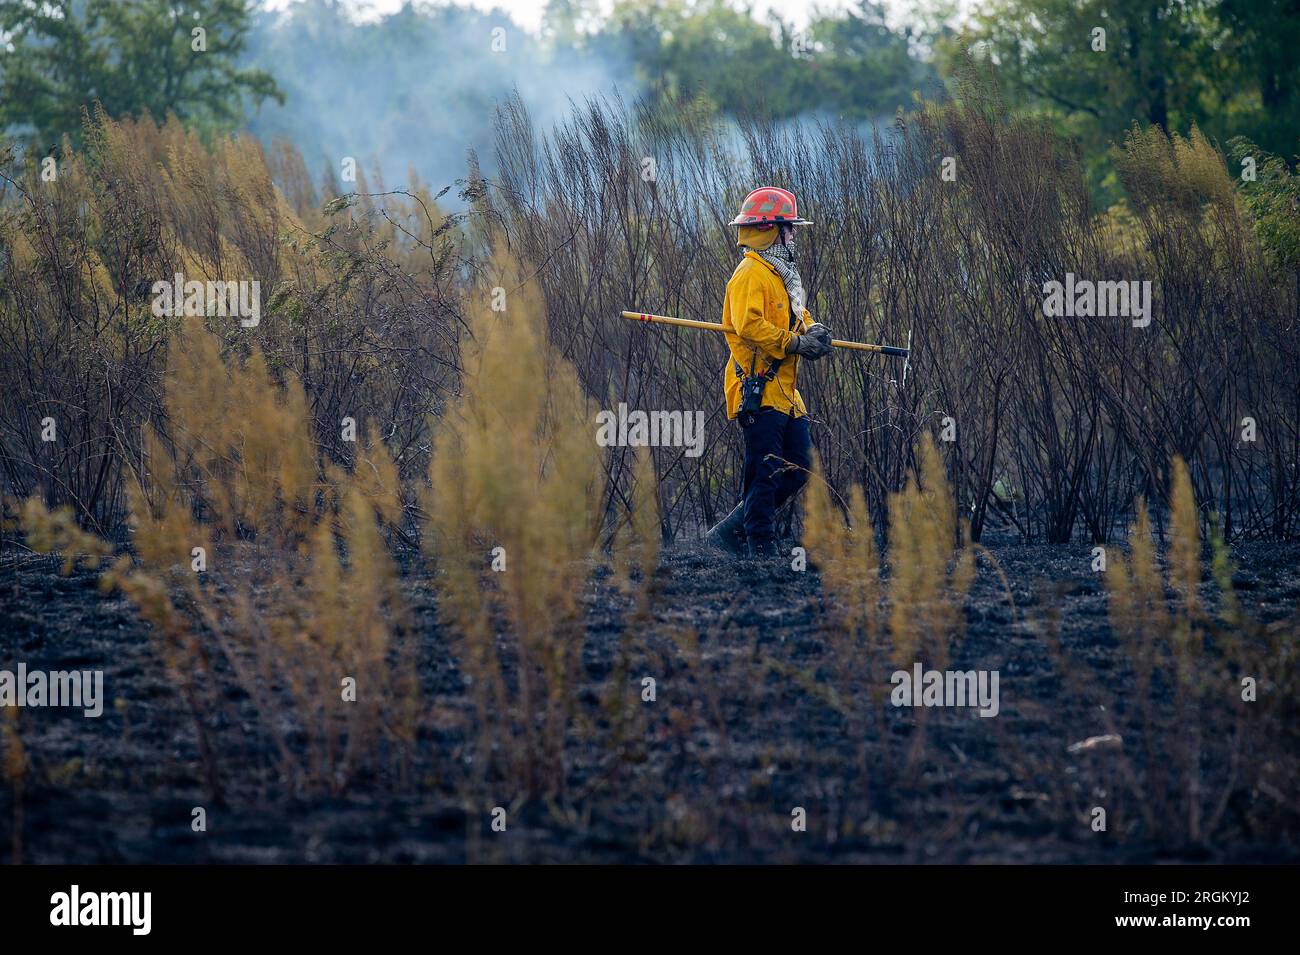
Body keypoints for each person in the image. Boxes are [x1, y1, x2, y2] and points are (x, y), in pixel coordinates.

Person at [705, 186, 833, 558]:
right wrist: (794, 345)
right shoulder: (749, 275)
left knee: (800, 463)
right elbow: (749, 327)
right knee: (765, 472)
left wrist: (812, 331)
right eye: (790, 228)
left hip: (786, 393)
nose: (794, 235)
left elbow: (796, 314)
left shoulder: (781, 274)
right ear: (772, 230)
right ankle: (760, 546)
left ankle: (731, 531)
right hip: (757, 389)